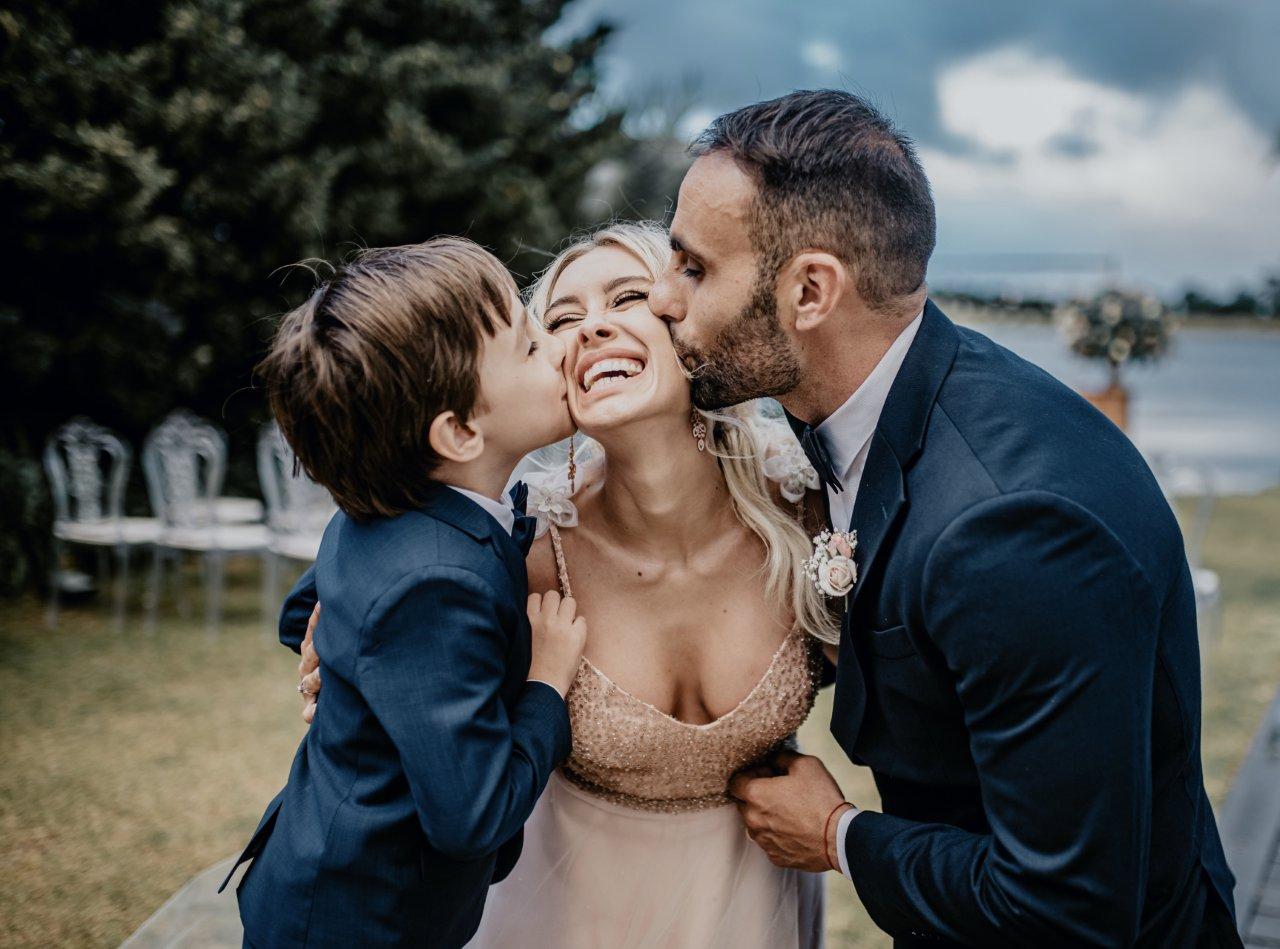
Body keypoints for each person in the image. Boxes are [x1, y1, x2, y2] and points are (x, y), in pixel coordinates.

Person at [649, 90, 1240, 947]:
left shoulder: (1013, 531)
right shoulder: (862, 405)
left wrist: (837, 836)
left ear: (811, 290)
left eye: (695, 268)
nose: (661, 296)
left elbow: (1064, 910)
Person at [287, 222, 840, 947]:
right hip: (561, 911)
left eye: (629, 296)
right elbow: (390, 574)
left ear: (689, 320)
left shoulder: (808, 504)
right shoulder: (518, 553)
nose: (591, 330)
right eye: (558, 322)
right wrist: (328, 628)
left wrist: (840, 829)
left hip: (752, 908)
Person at [225, 238, 588, 948]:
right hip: (358, 922)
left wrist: (339, 654)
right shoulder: (433, 578)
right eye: (530, 346)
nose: (560, 346)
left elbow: (305, 610)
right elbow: (472, 817)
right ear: (457, 430)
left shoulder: (379, 509)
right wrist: (547, 678)